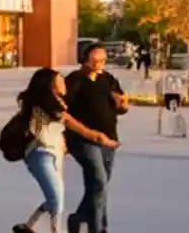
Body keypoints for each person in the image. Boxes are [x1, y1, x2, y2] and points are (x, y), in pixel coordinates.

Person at [13, 68, 119, 233]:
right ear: (51, 85)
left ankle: (28, 227)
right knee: (57, 197)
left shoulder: (58, 104)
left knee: (54, 197)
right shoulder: (46, 106)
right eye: (60, 80)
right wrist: (99, 137)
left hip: (55, 154)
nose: (64, 83)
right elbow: (78, 127)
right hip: (41, 154)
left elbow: (71, 127)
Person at [64, 43, 127, 233]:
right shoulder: (75, 80)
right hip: (83, 139)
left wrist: (122, 104)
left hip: (109, 139)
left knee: (99, 186)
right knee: (99, 182)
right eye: (96, 60)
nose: (100, 64)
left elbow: (121, 105)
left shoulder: (108, 79)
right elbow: (64, 111)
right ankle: (98, 228)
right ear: (85, 59)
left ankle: (79, 218)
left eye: (103, 60)